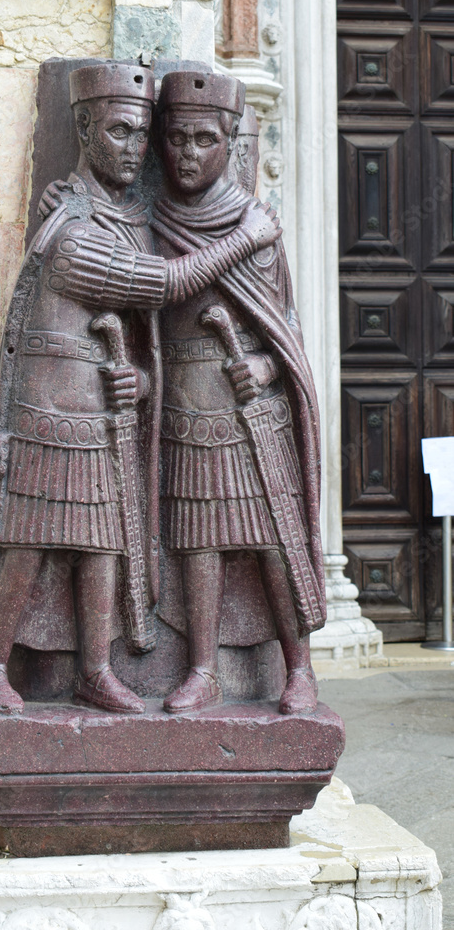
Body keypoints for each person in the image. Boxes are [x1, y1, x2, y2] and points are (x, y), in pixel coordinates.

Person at [0, 62, 283, 716]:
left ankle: (93, 671)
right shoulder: (75, 231)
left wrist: (140, 378)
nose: (133, 148)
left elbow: (148, 336)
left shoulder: (125, 214)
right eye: (117, 131)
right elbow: (162, 288)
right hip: (51, 407)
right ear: (83, 128)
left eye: (140, 134)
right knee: (29, 534)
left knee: (102, 543)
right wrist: (245, 237)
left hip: (105, 410)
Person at [152, 70, 325, 715]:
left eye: (203, 139)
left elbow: (289, 329)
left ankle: (297, 665)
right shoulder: (152, 219)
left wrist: (267, 367)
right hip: (184, 405)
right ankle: (201, 669)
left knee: (271, 540)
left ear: (229, 143)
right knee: (199, 543)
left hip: (250, 411)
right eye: (175, 139)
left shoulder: (257, 228)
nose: (188, 154)